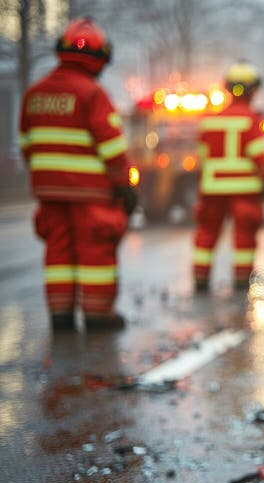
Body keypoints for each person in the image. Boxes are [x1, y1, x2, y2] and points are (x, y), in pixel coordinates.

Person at [18, 17, 137, 331]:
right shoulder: (91, 94)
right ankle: (98, 316)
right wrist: (125, 186)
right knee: (95, 251)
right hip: (90, 193)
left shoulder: (35, 93)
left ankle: (61, 316)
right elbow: (112, 149)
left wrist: (48, 176)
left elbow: (27, 145)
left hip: (50, 191)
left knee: (58, 251)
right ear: (99, 59)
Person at [193, 61, 264, 291]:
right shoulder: (251, 120)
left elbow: (202, 156)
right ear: (252, 90)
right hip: (244, 190)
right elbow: (258, 156)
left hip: (212, 189)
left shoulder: (209, 121)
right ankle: (240, 280)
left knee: (206, 233)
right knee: (244, 236)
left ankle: (200, 277)